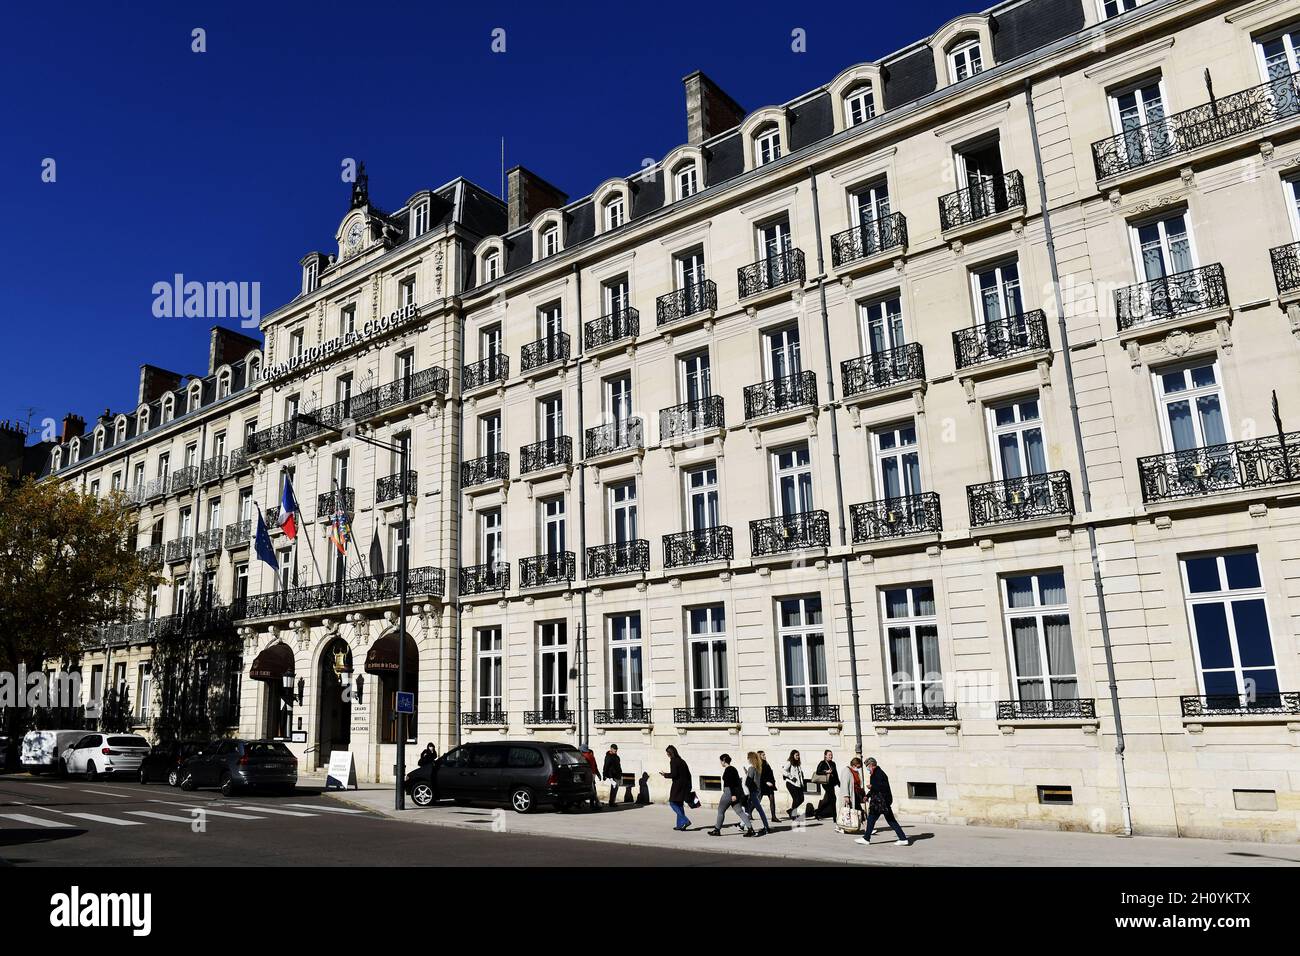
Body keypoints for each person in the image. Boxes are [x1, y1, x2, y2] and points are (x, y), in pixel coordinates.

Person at [856, 757, 910, 847]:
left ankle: (866, 838)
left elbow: (882, 787)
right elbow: (876, 788)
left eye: (867, 766)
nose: (867, 768)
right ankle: (903, 838)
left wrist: (871, 787)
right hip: (882, 802)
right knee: (889, 820)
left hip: (880, 802)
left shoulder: (879, 773)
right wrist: (867, 796)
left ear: (871, 765)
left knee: (873, 819)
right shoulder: (876, 773)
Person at [708, 754, 754, 837]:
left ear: (724, 761)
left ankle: (717, 830)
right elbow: (737, 782)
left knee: (721, 811)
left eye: (721, 761)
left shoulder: (728, 770)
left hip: (729, 793)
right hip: (735, 793)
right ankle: (751, 829)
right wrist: (737, 795)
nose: (720, 763)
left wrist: (733, 795)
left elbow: (731, 783)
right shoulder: (733, 769)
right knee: (740, 812)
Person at [660, 745, 692, 830]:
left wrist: (665, 775)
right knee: (679, 804)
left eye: (667, 753)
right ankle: (680, 825)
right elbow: (689, 775)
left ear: (670, 753)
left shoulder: (673, 761)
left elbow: (674, 774)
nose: (667, 754)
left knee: (672, 803)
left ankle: (685, 820)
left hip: (677, 786)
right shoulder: (682, 761)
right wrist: (689, 786)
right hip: (684, 785)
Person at [837, 756, 867, 833]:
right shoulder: (847, 771)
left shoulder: (855, 771)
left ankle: (865, 827)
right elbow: (844, 784)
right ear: (854, 765)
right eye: (858, 766)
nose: (859, 768)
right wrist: (846, 796)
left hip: (855, 794)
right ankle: (840, 827)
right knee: (846, 812)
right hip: (850, 795)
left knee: (858, 811)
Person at [744, 752, 772, 836]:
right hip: (757, 791)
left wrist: (746, 777)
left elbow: (748, 782)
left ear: (750, 759)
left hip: (752, 792)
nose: (747, 759)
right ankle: (765, 827)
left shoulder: (751, 769)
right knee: (754, 810)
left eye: (748, 758)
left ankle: (750, 828)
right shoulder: (758, 768)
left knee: (747, 810)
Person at [814, 749, 840, 820]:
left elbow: (836, 773)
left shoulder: (833, 763)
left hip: (832, 783)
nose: (831, 756)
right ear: (825, 756)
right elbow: (818, 772)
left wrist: (839, 783)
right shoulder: (822, 763)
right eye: (829, 755)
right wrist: (826, 772)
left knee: (829, 800)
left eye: (831, 755)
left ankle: (817, 812)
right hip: (825, 783)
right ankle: (835, 817)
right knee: (833, 798)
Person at [783, 750, 807, 819]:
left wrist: (802, 783)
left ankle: (791, 811)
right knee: (796, 799)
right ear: (792, 755)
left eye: (798, 755)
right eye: (796, 755)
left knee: (801, 799)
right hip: (791, 783)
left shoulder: (798, 764)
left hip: (798, 784)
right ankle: (793, 814)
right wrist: (791, 777)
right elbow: (784, 770)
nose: (798, 756)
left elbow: (800, 775)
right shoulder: (789, 762)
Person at [757, 750, 779, 822]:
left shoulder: (766, 763)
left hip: (770, 785)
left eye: (764, 755)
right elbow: (760, 776)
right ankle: (749, 813)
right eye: (763, 755)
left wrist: (773, 782)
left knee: (772, 800)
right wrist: (766, 782)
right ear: (759, 756)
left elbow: (770, 774)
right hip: (763, 785)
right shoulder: (759, 765)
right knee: (757, 801)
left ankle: (773, 817)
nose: (764, 756)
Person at [580, 746, 603, 811]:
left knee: (590, 790)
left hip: (588, 775)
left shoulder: (584, 756)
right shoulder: (591, 756)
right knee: (592, 789)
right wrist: (598, 774)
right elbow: (595, 766)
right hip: (593, 774)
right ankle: (592, 803)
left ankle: (596, 804)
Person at [602, 744, 624, 808]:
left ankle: (612, 801)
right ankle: (611, 802)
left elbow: (618, 766)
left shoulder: (617, 757)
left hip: (617, 774)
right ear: (611, 749)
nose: (616, 750)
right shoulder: (608, 757)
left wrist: (620, 773)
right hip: (612, 775)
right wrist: (604, 775)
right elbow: (605, 766)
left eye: (616, 749)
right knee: (614, 789)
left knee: (615, 789)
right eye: (614, 749)